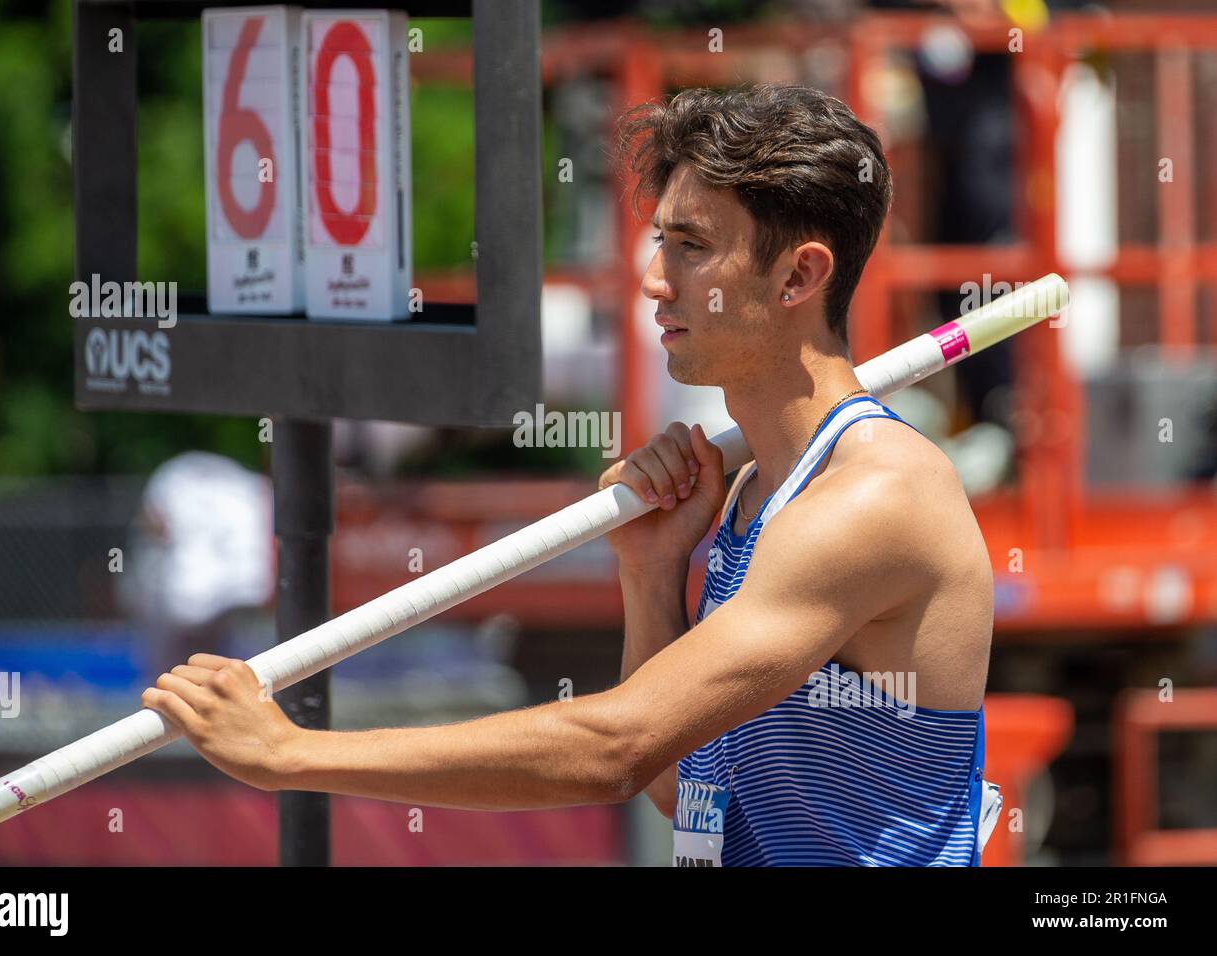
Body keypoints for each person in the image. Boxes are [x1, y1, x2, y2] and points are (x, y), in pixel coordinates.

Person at [142, 84, 1000, 866]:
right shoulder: (752, 495)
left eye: (692, 246)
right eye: (661, 240)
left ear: (799, 276)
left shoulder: (875, 496)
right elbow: (681, 789)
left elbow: (615, 751)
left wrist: (291, 754)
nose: (654, 280)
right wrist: (652, 571)